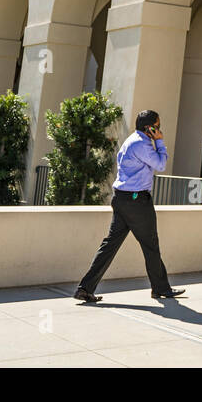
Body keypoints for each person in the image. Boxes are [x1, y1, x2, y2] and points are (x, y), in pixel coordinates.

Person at [74, 109, 185, 302]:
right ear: (149, 128)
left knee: (109, 245)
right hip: (137, 202)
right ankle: (161, 289)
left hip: (122, 199)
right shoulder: (142, 144)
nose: (160, 130)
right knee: (150, 245)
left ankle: (85, 288)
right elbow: (161, 164)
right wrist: (159, 141)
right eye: (157, 126)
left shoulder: (131, 140)